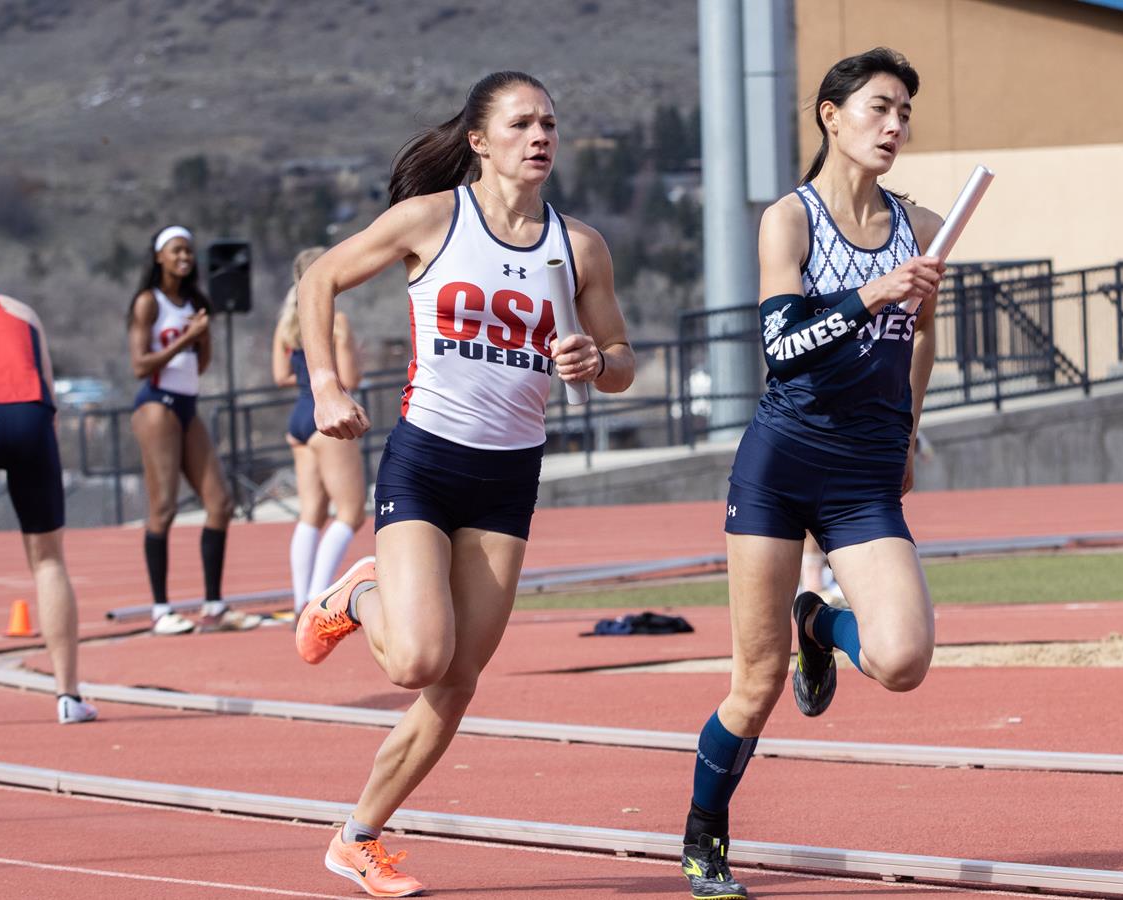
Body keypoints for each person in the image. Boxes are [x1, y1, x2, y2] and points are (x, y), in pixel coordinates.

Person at [292, 70, 634, 897]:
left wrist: (596, 362)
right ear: (479, 141)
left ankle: (357, 838)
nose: (540, 136)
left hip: (508, 478)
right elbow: (318, 280)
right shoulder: (434, 219)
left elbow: (622, 362)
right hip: (427, 461)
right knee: (417, 659)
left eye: (549, 123)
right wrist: (327, 386)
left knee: (455, 685)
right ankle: (357, 594)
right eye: (521, 124)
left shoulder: (579, 246)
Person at [677, 48, 946, 900]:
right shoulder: (789, 220)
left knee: (903, 659)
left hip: (865, 472)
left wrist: (909, 433)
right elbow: (783, 348)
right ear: (831, 115)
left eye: (905, 112)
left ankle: (819, 622)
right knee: (755, 684)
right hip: (781, 465)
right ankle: (704, 835)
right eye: (879, 108)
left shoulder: (924, 227)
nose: (895, 126)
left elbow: (923, 337)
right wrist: (871, 294)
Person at [126, 226, 257, 635]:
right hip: (156, 404)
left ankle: (214, 606)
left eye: (188, 251)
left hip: (187, 404)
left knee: (220, 503)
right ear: (159, 256)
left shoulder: (196, 302)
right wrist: (185, 338)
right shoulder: (149, 302)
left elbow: (199, 366)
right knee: (163, 507)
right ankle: (161, 609)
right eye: (176, 250)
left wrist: (203, 336)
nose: (184, 257)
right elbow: (140, 365)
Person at [0, 287, 97, 724]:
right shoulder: (22, 312)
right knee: (49, 560)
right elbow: (49, 392)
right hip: (30, 416)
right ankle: (68, 697)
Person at [273, 247, 366, 616]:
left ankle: (301, 599)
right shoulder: (337, 320)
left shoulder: (288, 323)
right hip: (325, 415)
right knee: (350, 513)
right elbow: (350, 377)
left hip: (298, 415)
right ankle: (316, 599)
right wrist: (352, 352)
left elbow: (280, 375)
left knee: (310, 513)